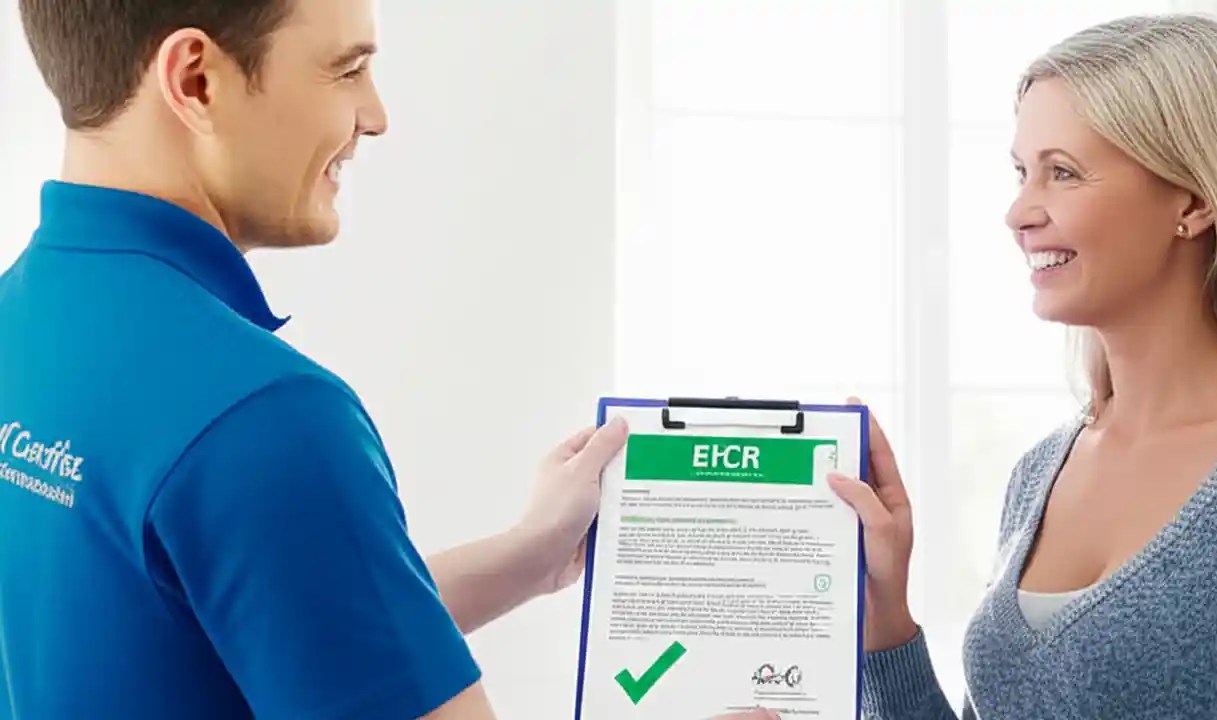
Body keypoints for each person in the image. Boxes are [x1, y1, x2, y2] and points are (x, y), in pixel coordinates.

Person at [0, 1, 777, 719]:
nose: (375, 116)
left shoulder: (23, 316)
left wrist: (527, 559)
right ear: (197, 80)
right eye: (347, 69)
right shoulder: (257, 417)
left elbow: (271, 622)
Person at [825, 13, 1217, 719]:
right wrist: (885, 625)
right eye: (1022, 172)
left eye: (1062, 172)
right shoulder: (1041, 472)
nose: (1018, 212)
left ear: (1193, 200)